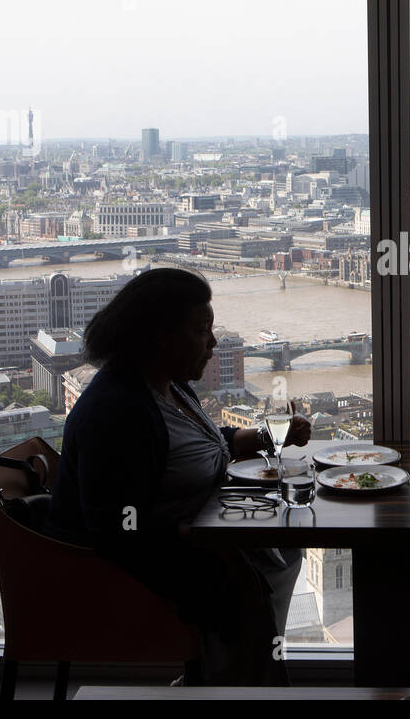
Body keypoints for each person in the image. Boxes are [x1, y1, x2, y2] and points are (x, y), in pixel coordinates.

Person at [43, 267, 311, 684]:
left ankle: (230, 678)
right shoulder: (117, 413)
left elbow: (204, 445)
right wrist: (209, 540)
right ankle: (234, 684)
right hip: (119, 574)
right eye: (202, 330)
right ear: (159, 336)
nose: (213, 342)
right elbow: (117, 530)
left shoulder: (167, 385)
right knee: (247, 582)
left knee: (279, 553)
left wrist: (267, 435)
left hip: (190, 539)